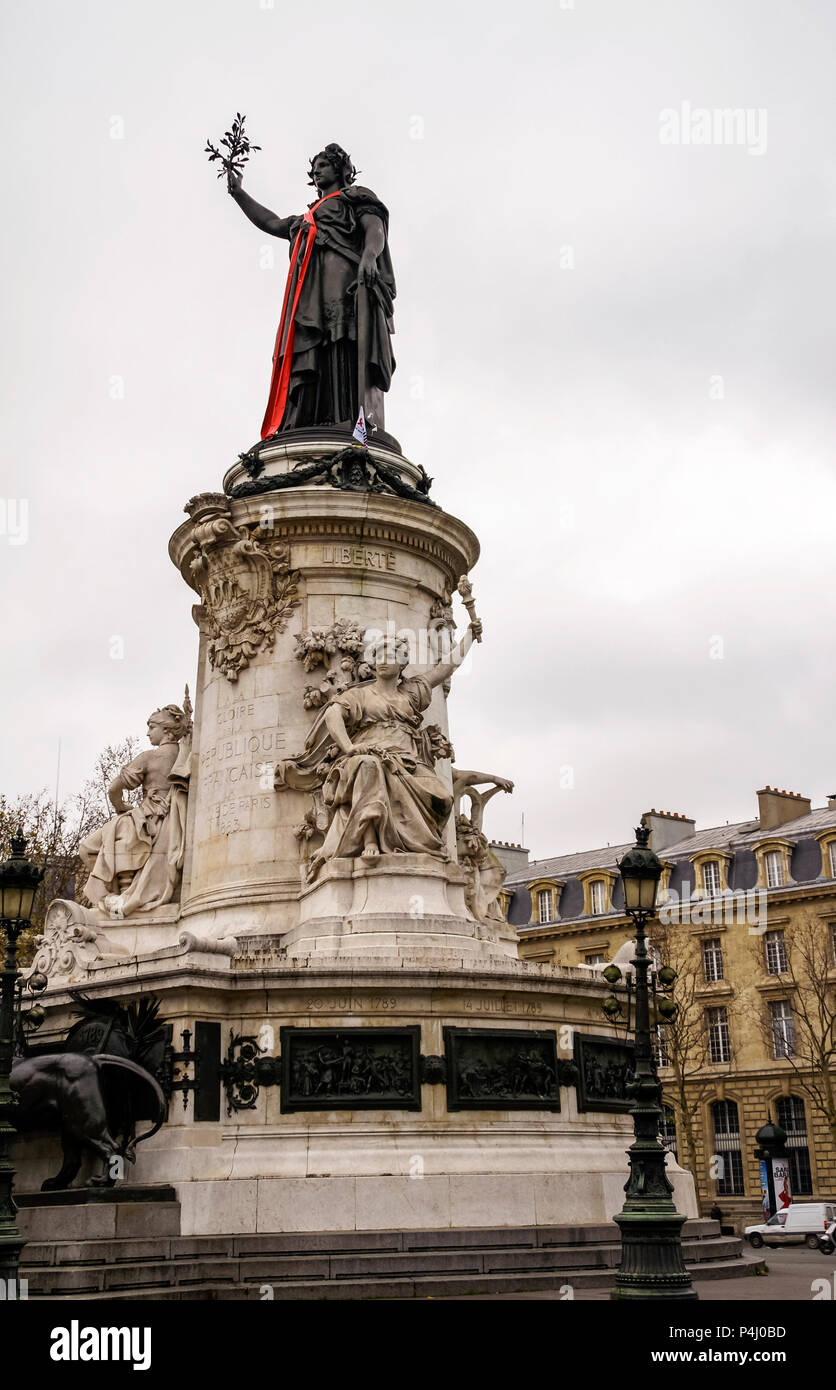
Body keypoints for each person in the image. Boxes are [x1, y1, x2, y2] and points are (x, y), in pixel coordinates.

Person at [277, 619, 481, 879]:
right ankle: (371, 839)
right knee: (369, 768)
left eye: (390, 655)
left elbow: (446, 668)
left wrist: (469, 637)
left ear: (401, 662)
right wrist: (350, 747)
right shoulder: (360, 695)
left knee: (442, 795)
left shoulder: (412, 692)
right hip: (367, 754)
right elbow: (333, 715)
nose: (383, 661)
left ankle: (421, 848)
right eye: (379, 656)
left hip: (408, 760)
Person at [228, 143, 396, 438]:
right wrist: (239, 193)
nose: (318, 170)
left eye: (324, 165)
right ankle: (309, 418)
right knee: (311, 344)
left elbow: (375, 229)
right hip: (309, 292)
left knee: (341, 336)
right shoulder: (305, 220)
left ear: (342, 170)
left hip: (343, 280)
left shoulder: (354, 197)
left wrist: (370, 256)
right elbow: (272, 222)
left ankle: (347, 416)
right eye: (315, 167)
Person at [79, 704, 191, 917]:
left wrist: (121, 807)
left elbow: (114, 788)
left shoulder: (149, 757)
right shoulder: (187, 755)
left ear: (167, 730)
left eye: (151, 727)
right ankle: (122, 894)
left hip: (145, 820)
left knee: (86, 848)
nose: (148, 732)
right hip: (173, 823)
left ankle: (111, 898)